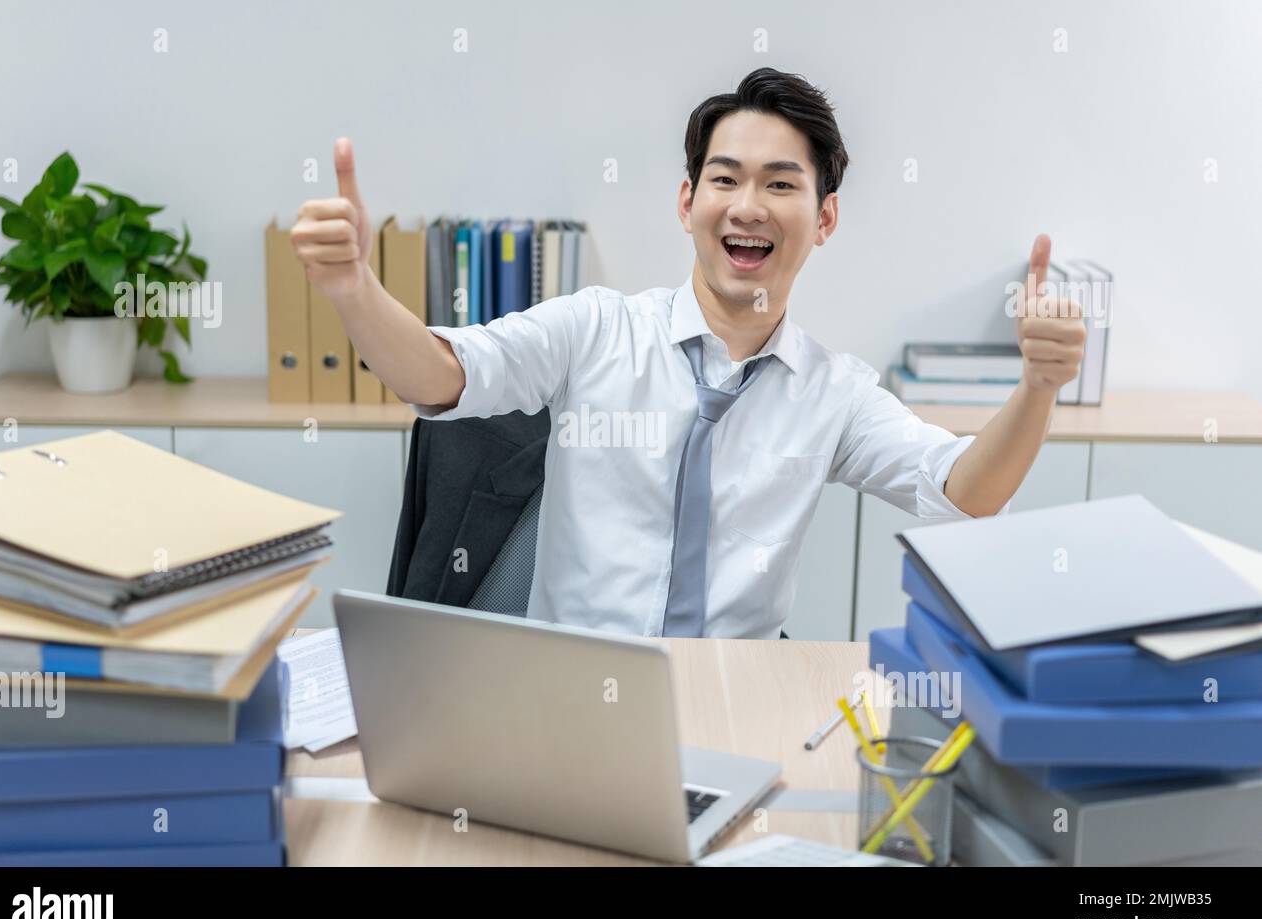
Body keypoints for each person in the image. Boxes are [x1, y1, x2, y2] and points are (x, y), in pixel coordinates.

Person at [291, 67, 1085, 640]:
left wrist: (1040, 388)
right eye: (725, 179)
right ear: (687, 201)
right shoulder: (596, 331)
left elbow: (964, 494)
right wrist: (353, 288)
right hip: (568, 692)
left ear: (825, 217)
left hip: (735, 700)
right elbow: (444, 374)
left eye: (780, 185)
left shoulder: (833, 393)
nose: (747, 206)